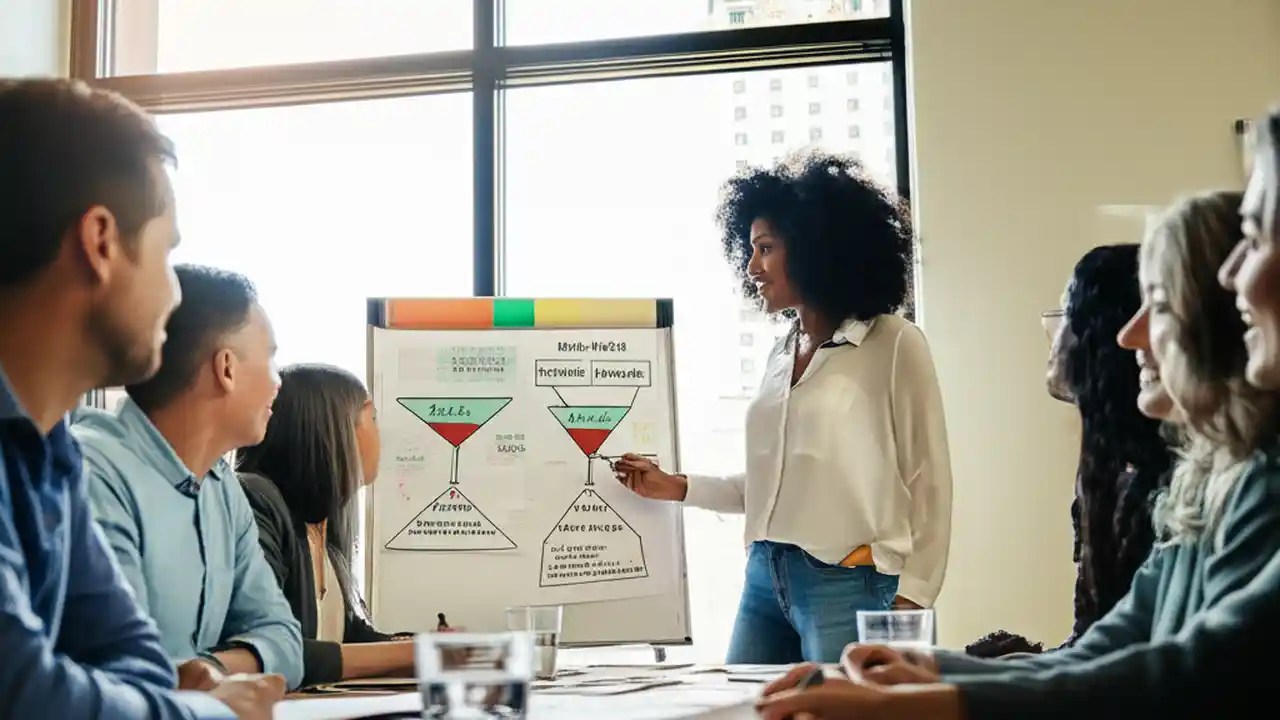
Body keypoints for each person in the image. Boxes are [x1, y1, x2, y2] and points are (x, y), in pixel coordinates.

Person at [757, 188, 1279, 719]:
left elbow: (1192, 671)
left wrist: (938, 695)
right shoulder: (1202, 479)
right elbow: (1112, 646)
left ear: (1224, 327)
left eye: (1161, 306)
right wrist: (931, 671)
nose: (1128, 335)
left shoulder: (1260, 483)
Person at [0, 77, 282, 719]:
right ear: (100, 243)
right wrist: (213, 714)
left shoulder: (50, 450)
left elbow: (132, 660)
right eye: (165, 251)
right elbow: (24, 695)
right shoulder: (88, 459)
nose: (176, 295)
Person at [613, 150, 953, 664]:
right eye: (750, 249)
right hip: (765, 577)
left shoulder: (894, 343)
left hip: (851, 583)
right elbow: (768, 487)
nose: (752, 267)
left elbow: (931, 485)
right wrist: (675, 487)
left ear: (816, 249)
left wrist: (912, 601)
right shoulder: (780, 354)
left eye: (766, 248)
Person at [72, 264, 304, 691]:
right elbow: (123, 666)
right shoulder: (93, 473)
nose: (277, 384)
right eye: (271, 358)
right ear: (227, 369)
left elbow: (285, 642)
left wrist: (208, 670)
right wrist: (210, 673)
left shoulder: (223, 488)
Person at [968, 245, 1174, 657]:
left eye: (1069, 315)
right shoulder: (1110, 464)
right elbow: (1096, 635)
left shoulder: (1160, 484)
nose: (1057, 337)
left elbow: (1129, 659)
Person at [237, 363, 417, 686]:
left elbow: (346, 640)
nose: (381, 434)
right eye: (372, 419)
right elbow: (267, 652)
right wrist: (415, 655)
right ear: (334, 430)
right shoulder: (256, 502)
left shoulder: (321, 527)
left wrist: (428, 646)